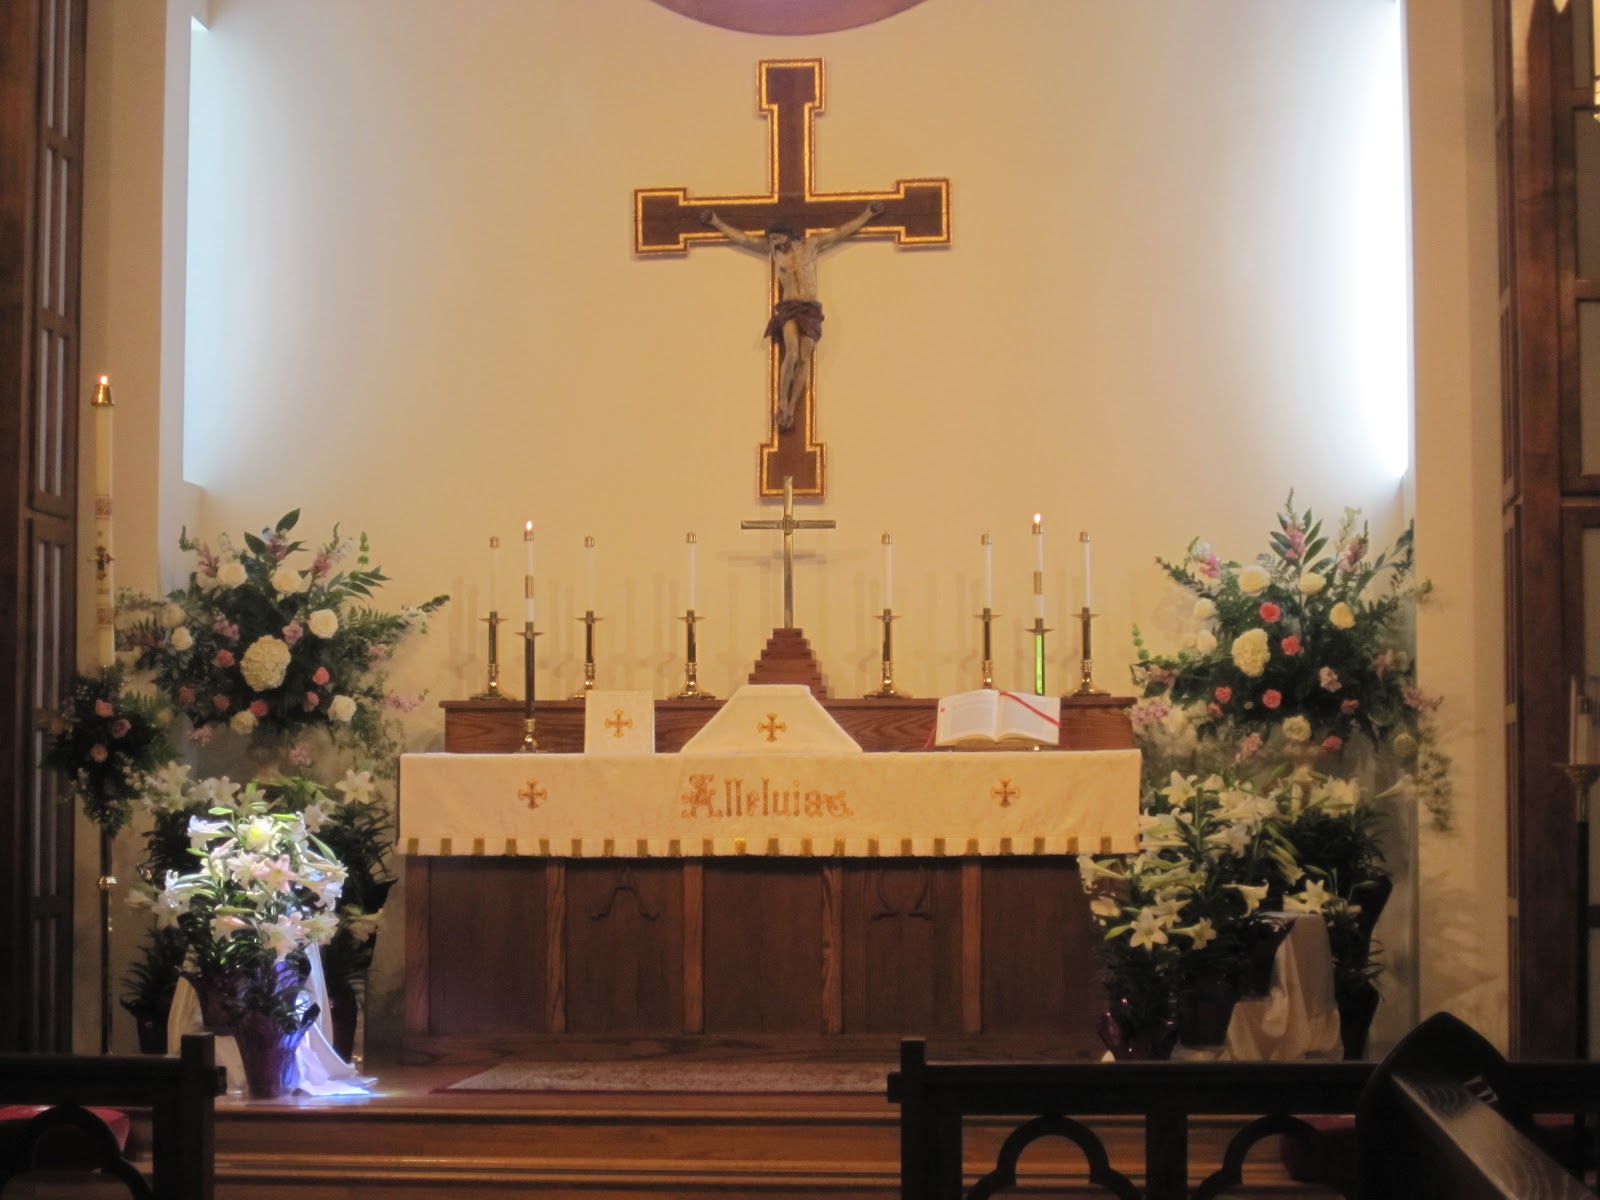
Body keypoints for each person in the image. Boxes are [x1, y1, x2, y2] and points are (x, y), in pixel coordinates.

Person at [700, 201, 885, 430]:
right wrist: (715, 221)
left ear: (788, 234)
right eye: (772, 240)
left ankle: (792, 406)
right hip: (789, 307)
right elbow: (743, 239)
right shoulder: (774, 253)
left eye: (777, 238)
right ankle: (782, 401)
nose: (774, 243)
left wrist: (867, 214)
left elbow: (840, 233)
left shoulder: (811, 246)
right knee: (792, 353)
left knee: (804, 358)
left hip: (810, 309)